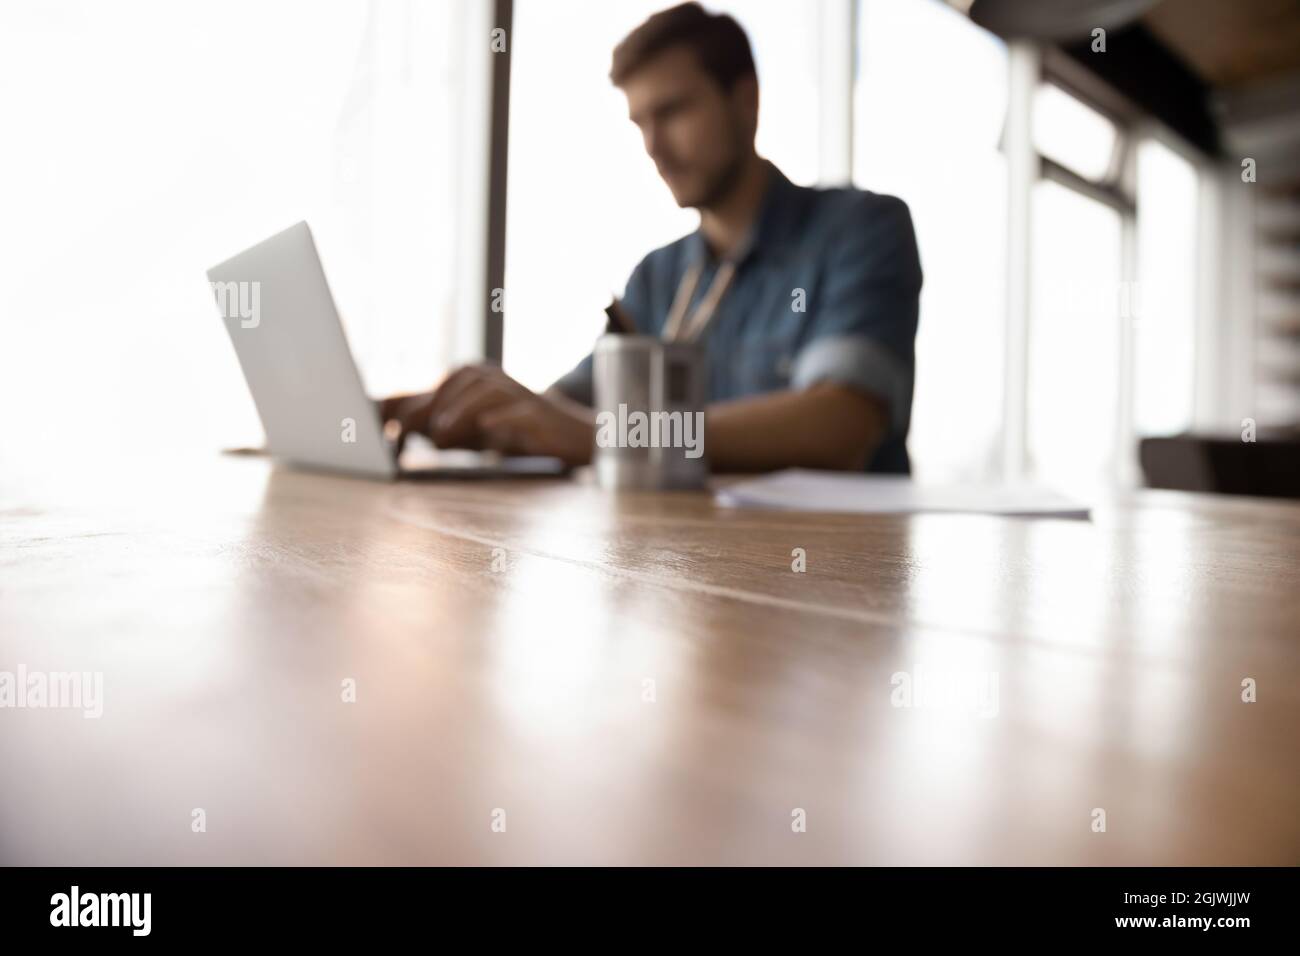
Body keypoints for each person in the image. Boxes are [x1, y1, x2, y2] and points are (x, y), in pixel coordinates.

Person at [382, 2, 921, 473]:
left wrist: (604, 436)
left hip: (831, 578)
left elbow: (841, 425)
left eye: (673, 112)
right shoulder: (657, 276)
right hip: (686, 565)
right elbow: (562, 411)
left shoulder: (860, 229)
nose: (653, 147)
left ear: (746, 101)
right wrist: (463, 410)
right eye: (640, 122)